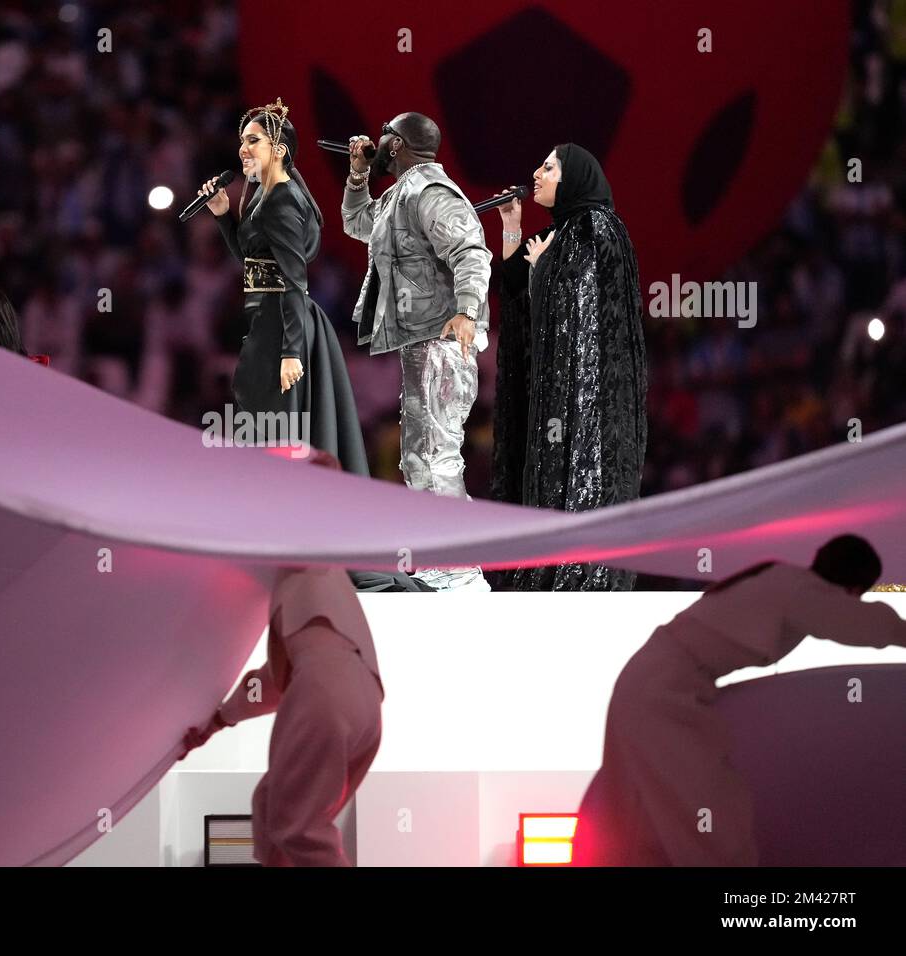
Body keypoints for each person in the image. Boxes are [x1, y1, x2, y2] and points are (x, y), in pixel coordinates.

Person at [575, 535, 906, 866]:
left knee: (643, 807)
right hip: (663, 689)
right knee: (707, 803)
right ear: (852, 585)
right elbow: (862, 623)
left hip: (649, 681)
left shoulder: (783, 579)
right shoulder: (798, 589)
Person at [179, 450, 384, 866]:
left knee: (299, 828)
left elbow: (316, 496)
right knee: (276, 806)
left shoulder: (301, 556)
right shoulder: (312, 581)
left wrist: (314, 469)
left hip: (326, 690)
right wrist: (219, 720)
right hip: (363, 700)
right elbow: (274, 681)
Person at [343, 113, 492, 590]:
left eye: (384, 133)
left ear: (398, 143)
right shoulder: (399, 194)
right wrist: (358, 174)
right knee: (417, 456)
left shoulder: (430, 192)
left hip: (445, 341)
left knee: (439, 453)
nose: (376, 138)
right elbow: (357, 225)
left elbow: (471, 251)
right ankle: (437, 560)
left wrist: (467, 312)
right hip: (419, 342)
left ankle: (458, 570)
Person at [490, 144, 647, 590]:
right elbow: (519, 299)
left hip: (588, 411)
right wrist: (513, 230)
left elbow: (581, 312)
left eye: (548, 166)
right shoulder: (560, 234)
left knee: (580, 490)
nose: (536, 173)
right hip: (555, 403)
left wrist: (542, 271)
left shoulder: (597, 228)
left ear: (574, 177)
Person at [198, 97, 367, 477]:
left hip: (282, 323)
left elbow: (294, 278)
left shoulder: (282, 200)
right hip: (269, 318)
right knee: (264, 421)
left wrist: (291, 352)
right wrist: (225, 216)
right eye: (242, 139)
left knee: (271, 424)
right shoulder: (263, 195)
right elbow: (254, 259)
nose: (243, 149)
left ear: (279, 149)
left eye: (253, 140)